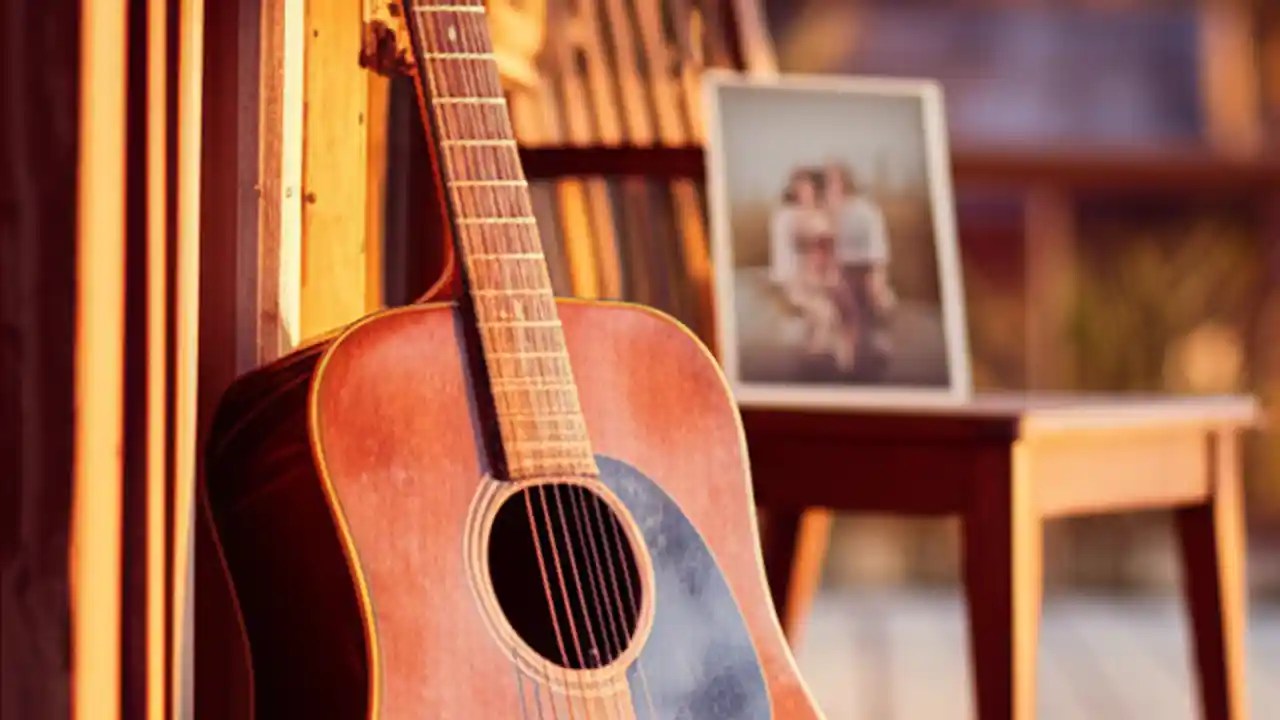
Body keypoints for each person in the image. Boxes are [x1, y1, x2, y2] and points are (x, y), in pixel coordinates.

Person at [823, 163, 895, 371]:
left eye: (833, 182)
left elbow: (877, 245)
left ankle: (877, 349)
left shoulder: (864, 210)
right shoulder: (832, 212)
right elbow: (830, 248)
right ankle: (847, 362)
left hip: (866, 266)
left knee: (877, 306)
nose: (829, 188)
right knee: (848, 312)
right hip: (844, 268)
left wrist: (877, 275)